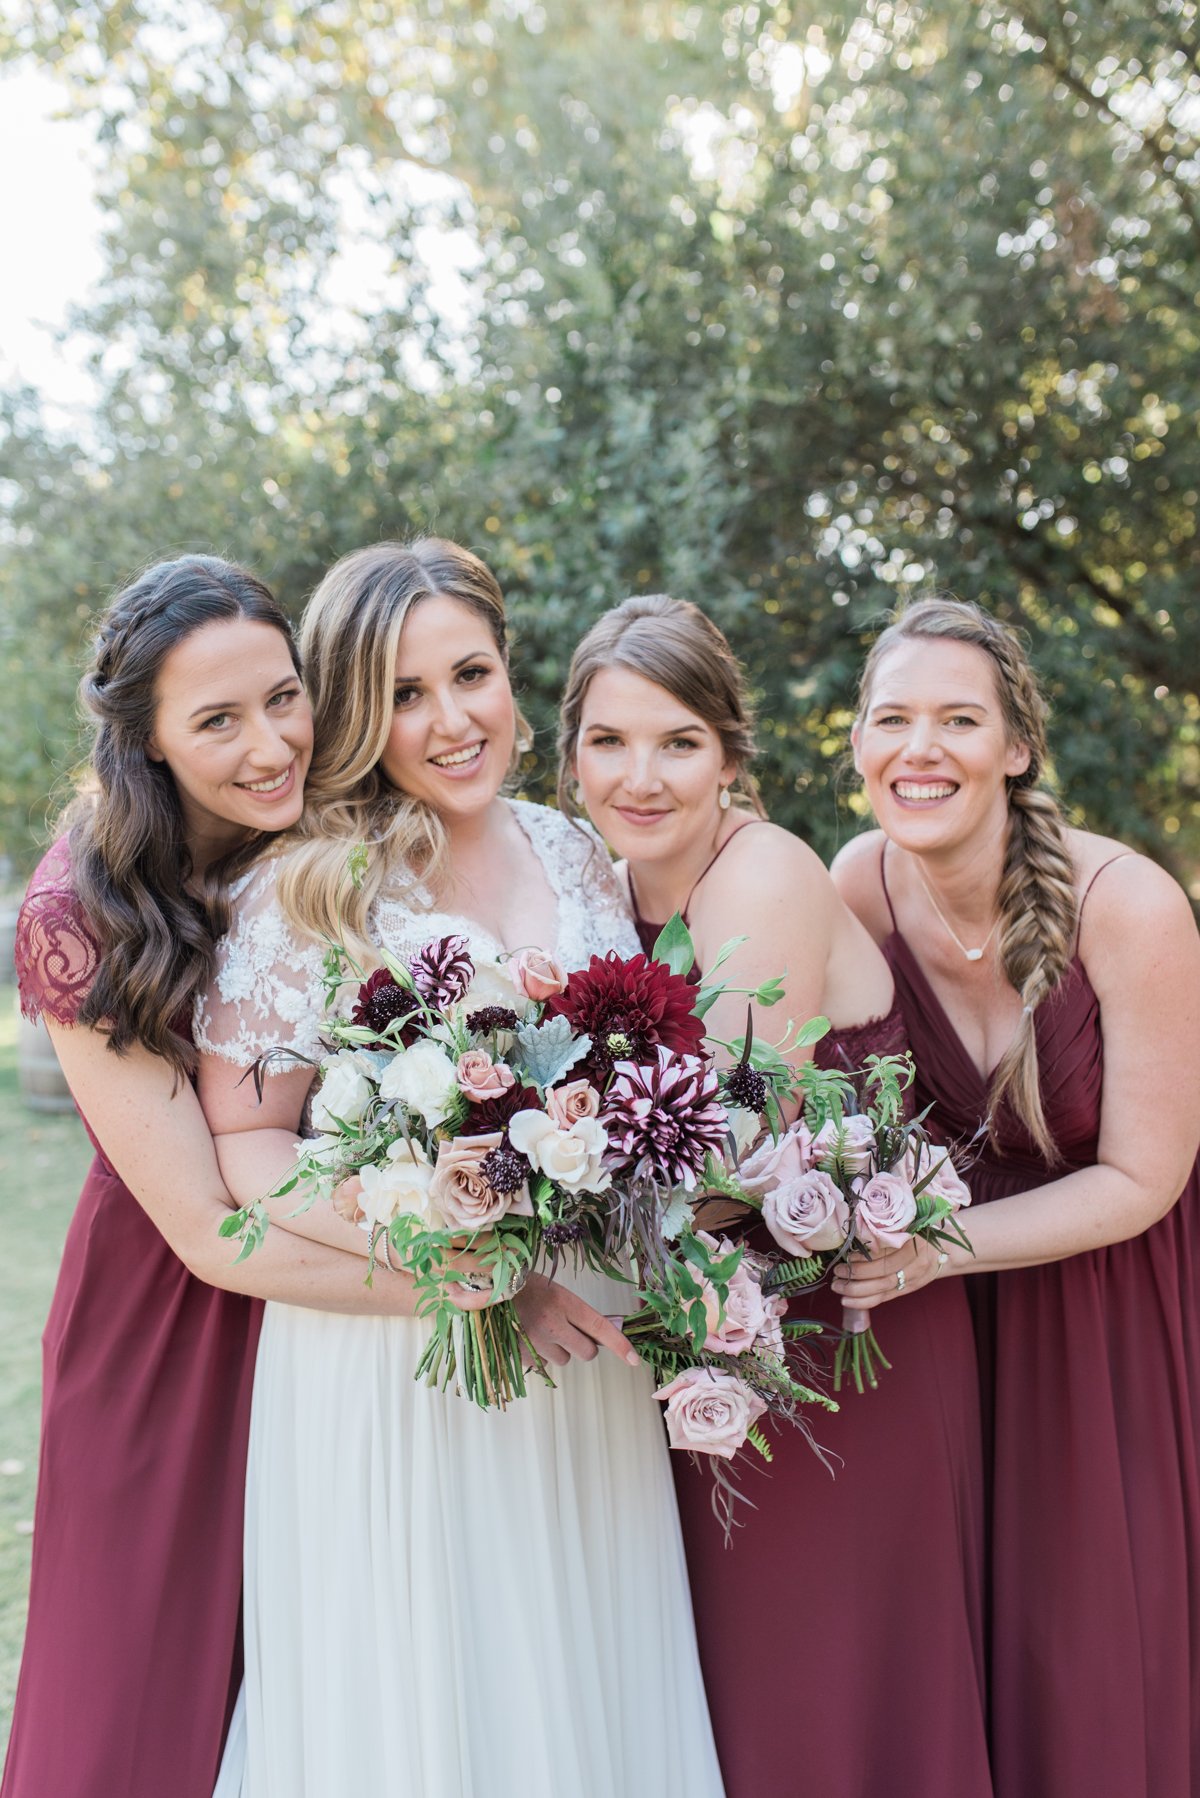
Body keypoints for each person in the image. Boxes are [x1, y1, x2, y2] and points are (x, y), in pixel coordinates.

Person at [194, 539, 723, 1798]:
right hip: (399, 1357)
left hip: (586, 1356)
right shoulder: (307, 888)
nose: (450, 721)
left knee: (582, 1681)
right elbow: (250, 1148)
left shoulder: (579, 849)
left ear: (509, 671)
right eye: (404, 694)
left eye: (470, 673)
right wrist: (449, 1251)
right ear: (357, 713)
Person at [3, 555, 475, 1798]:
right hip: (173, 1314)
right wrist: (472, 1287)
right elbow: (208, 1230)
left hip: (338, 1293)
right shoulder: (80, 914)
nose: (271, 744)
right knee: (145, 1694)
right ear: (146, 744)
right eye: (217, 720)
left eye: (283, 697)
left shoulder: (341, 824)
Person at [559, 592, 993, 1798]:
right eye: (608, 742)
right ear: (571, 755)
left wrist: (517, 1203)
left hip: (835, 1349)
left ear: (732, 757)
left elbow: (718, 1155)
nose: (640, 776)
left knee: (820, 1703)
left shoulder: (763, 877)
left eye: (679, 742)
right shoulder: (598, 885)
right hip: (705, 1347)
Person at [831, 597, 1200, 1798]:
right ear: (857, 744)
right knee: (953, 1641)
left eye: (957, 719)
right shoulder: (858, 887)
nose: (919, 748)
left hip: (1105, 1305)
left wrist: (939, 1241)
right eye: (893, 719)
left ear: (1017, 747)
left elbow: (1146, 1176)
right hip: (938, 1317)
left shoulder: (1128, 904)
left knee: (1092, 1644)